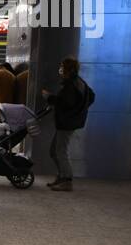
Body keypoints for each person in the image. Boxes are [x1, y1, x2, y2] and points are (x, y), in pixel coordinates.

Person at [41, 57, 95, 191]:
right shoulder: (79, 82)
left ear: (68, 69)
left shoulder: (71, 84)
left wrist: (49, 97)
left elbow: (64, 102)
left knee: (60, 151)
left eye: (62, 66)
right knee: (54, 151)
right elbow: (91, 96)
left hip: (66, 123)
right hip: (68, 122)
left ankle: (67, 180)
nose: (60, 69)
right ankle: (62, 176)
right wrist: (79, 110)